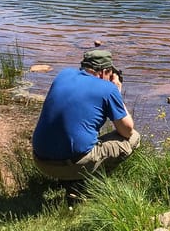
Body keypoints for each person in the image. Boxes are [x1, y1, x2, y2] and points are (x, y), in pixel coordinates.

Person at [32, 50, 140, 183]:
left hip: (40, 161)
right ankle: (92, 183)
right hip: (73, 166)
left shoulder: (63, 74)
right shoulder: (108, 88)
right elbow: (127, 130)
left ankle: (71, 180)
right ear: (103, 72)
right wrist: (117, 93)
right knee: (134, 138)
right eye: (110, 74)